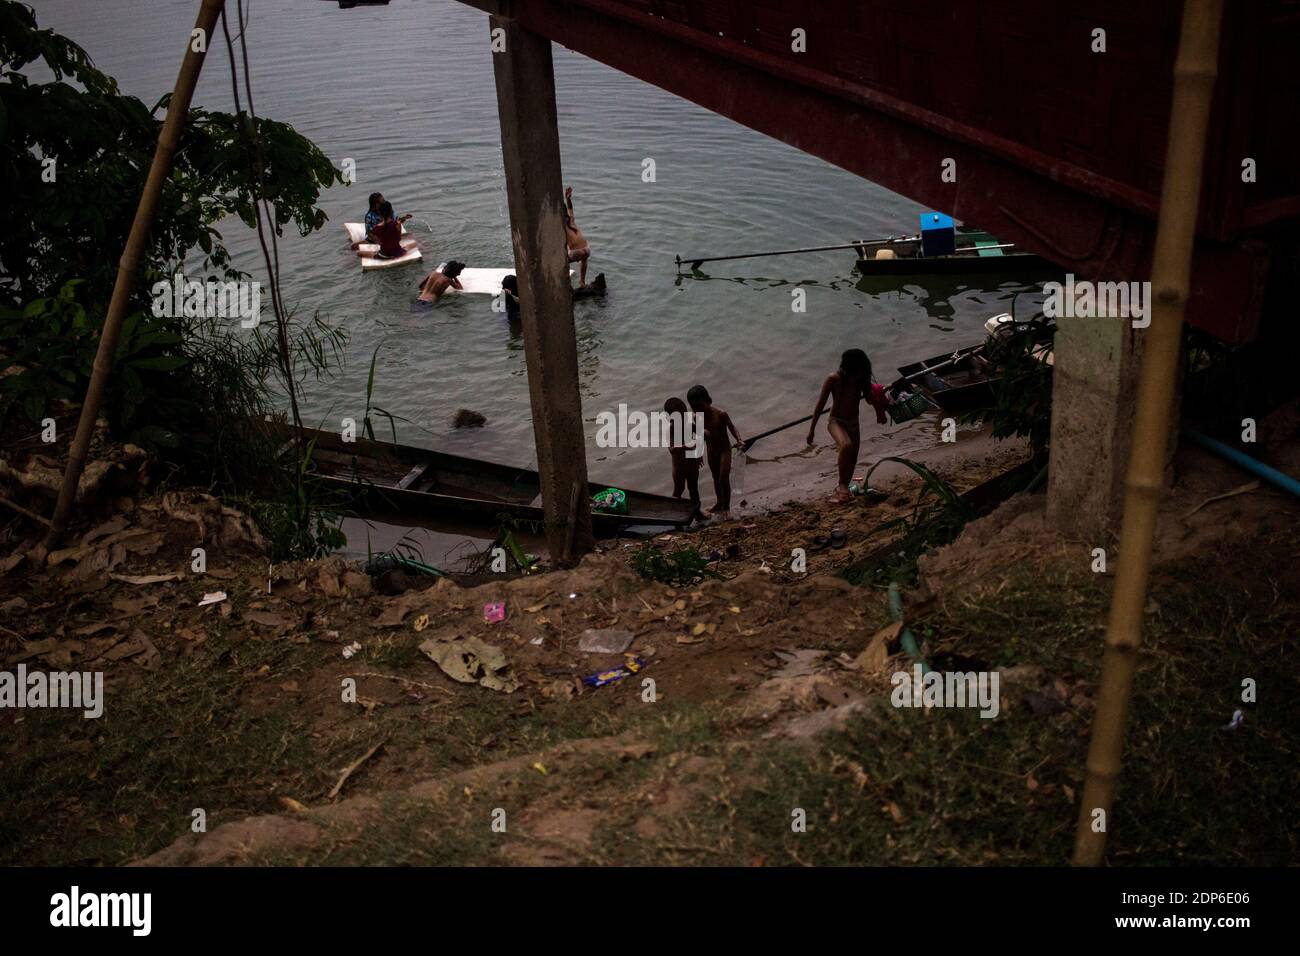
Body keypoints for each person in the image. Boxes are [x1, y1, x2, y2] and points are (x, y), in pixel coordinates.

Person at [806, 348, 887, 504]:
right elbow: (820, 405)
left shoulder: (860, 380)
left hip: (853, 422)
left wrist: (882, 395)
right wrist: (812, 430)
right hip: (836, 421)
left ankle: (845, 488)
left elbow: (870, 400)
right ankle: (841, 485)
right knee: (846, 445)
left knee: (853, 457)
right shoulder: (834, 379)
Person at [687, 384, 745, 518]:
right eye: (694, 408)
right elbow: (700, 437)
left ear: (708, 400)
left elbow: (732, 427)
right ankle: (719, 502)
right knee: (715, 478)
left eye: (700, 406)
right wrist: (699, 454)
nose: (698, 410)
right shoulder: (697, 418)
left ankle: (726, 507)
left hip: (725, 450)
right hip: (711, 452)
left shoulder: (721, 414)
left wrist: (739, 439)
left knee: (723, 479)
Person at [664, 396, 702, 521]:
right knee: (678, 491)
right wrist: (686, 446)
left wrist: (700, 454)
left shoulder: (690, 425)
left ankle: (697, 513)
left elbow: (700, 435)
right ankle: (675, 516)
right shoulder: (671, 429)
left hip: (692, 464)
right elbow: (671, 449)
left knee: (694, 490)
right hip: (679, 468)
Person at [562, 185, 591, 288]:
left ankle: (566, 285)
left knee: (561, 261)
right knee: (584, 259)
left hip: (576, 253)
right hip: (587, 249)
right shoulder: (570, 219)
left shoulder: (560, 224)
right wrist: (568, 198)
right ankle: (582, 282)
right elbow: (570, 207)